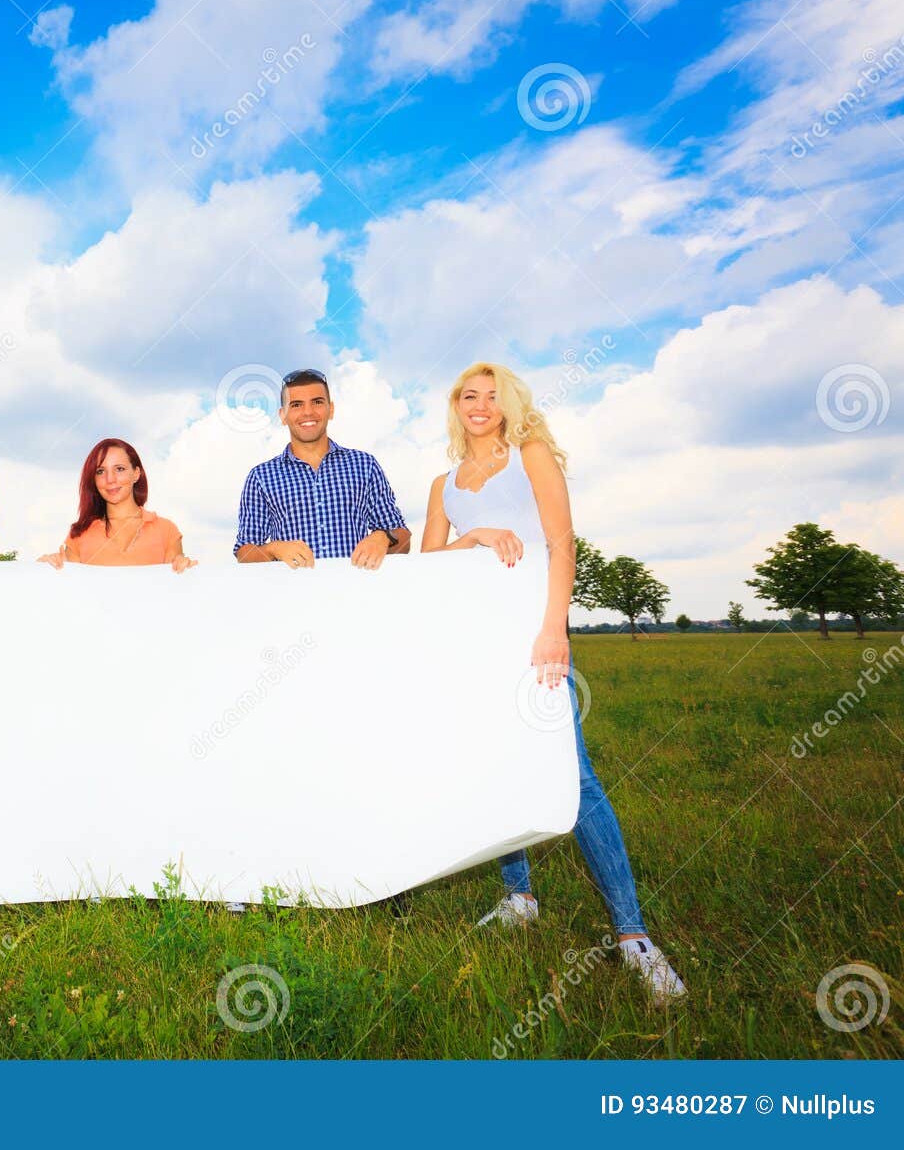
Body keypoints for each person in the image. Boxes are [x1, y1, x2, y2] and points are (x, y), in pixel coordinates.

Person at [420, 360, 686, 1002]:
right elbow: (425, 566)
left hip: (533, 637)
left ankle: (633, 938)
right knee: (496, 767)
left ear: (509, 405)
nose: (479, 405)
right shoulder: (444, 483)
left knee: (577, 775)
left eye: (491, 396)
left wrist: (554, 630)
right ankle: (519, 897)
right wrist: (475, 536)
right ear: (455, 406)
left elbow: (562, 545)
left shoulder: (531, 455)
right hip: (471, 646)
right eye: (468, 396)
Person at [233, 368, 410, 568]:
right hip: (292, 594)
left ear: (330, 409)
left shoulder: (364, 465)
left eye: (317, 402)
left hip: (356, 592)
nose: (308, 412)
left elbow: (403, 540)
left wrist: (383, 538)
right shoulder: (261, 477)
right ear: (283, 415)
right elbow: (244, 552)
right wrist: (275, 548)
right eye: (296, 405)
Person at [37, 438, 197, 572]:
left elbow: (173, 594)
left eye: (119, 469)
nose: (110, 479)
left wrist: (184, 569)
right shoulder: (79, 535)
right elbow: (70, 594)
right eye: (100, 471)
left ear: (136, 473)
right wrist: (49, 568)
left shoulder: (166, 531)